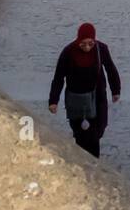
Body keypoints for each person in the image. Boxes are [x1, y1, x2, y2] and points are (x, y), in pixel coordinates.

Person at [48, 22, 121, 160]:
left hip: (97, 100)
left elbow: (111, 69)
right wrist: (53, 101)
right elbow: (58, 77)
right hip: (76, 101)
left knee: (95, 134)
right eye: (83, 44)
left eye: (90, 43)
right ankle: (83, 162)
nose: (87, 47)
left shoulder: (101, 49)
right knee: (81, 136)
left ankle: (94, 163)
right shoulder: (68, 52)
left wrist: (115, 90)